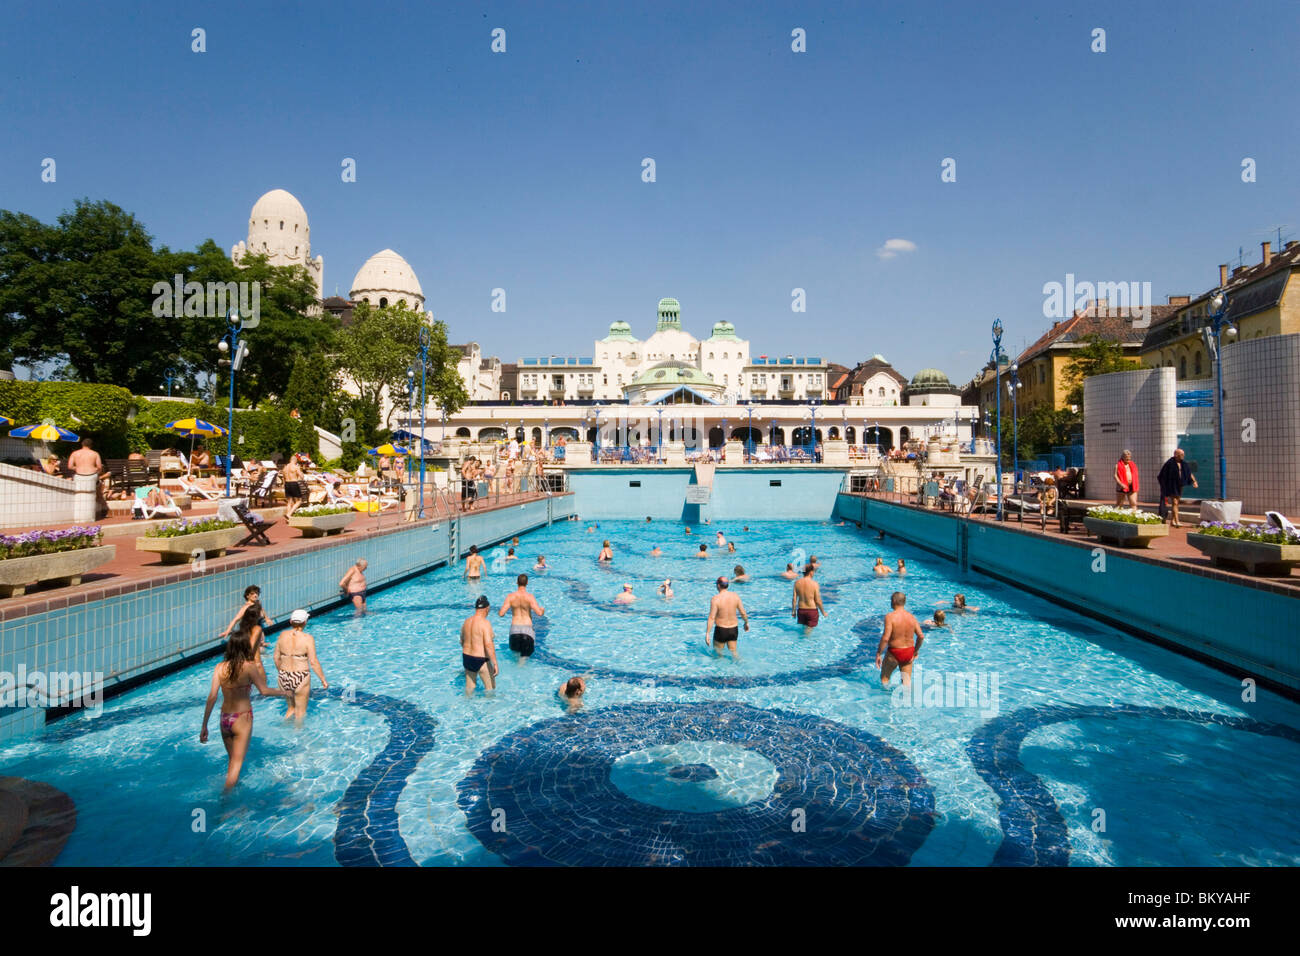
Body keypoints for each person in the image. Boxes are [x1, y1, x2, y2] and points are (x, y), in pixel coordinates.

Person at [200, 629, 287, 789]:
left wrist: (204, 725)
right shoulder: (248, 667)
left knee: (232, 761)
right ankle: (226, 804)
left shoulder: (219, 667)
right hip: (241, 718)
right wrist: (286, 693)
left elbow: (212, 697)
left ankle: (235, 796)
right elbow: (264, 691)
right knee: (237, 763)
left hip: (225, 719)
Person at [274, 609, 329, 719]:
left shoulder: (282, 635)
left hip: (283, 676)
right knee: (300, 713)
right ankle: (299, 735)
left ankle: (286, 733)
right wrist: (323, 679)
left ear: (290, 621)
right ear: (305, 622)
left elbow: (276, 658)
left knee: (291, 709)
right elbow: (313, 662)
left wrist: (282, 672)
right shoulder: (308, 638)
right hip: (301, 676)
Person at [876, 591, 924, 688]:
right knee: (906, 683)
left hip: (894, 652)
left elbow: (885, 638)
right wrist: (916, 651)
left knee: (884, 679)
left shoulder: (890, 616)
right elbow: (921, 636)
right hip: (909, 651)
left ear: (894, 601)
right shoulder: (912, 617)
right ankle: (907, 700)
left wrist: (878, 653)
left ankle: (885, 701)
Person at [499, 573, 545, 658]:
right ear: (527, 583)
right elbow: (539, 613)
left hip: (514, 630)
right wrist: (542, 610)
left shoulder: (510, 596)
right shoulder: (530, 597)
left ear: (517, 582)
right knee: (523, 659)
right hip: (527, 630)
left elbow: (501, 614)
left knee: (514, 658)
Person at [460, 595, 499, 696]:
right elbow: (488, 645)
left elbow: (461, 641)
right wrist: (495, 664)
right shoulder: (485, 623)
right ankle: (490, 710)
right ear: (487, 609)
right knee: (490, 689)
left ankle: (466, 709)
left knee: (469, 688)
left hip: (467, 658)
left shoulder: (466, 622)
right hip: (481, 660)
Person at [706, 576, 750, 659]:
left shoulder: (715, 599)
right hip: (733, 629)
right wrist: (746, 622)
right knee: (734, 652)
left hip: (721, 630)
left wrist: (707, 633)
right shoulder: (735, 596)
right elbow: (743, 612)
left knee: (718, 654)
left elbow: (712, 617)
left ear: (718, 585)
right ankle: (739, 666)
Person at [1157, 448, 1198, 527]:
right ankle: (1177, 520)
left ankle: (1172, 521)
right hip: (1171, 485)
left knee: (1176, 504)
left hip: (1179, 485)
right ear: (1176, 455)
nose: (1183, 456)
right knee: (1175, 502)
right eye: (1181, 454)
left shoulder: (1184, 464)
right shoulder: (1169, 463)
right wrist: (1164, 485)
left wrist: (1194, 481)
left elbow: (1189, 473)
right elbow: (1162, 475)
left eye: (1183, 454)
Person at [68, 437, 107, 518]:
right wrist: (93, 469)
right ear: (91, 445)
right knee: (99, 488)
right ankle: (101, 509)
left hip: (79, 476)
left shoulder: (75, 453)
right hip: (92, 476)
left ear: (82, 444)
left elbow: (70, 466)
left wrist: (78, 468)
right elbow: (99, 467)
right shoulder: (95, 453)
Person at [792, 563, 827, 635]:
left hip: (801, 611)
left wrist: (793, 611)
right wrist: (823, 612)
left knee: (802, 630)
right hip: (811, 611)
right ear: (811, 572)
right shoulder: (814, 584)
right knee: (808, 633)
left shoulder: (797, 583)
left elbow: (794, 599)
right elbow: (818, 600)